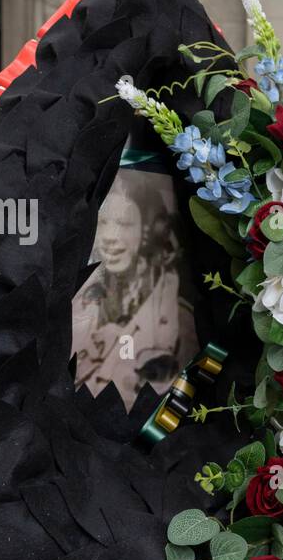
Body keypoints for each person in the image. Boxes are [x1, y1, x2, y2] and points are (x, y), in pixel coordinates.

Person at [71, 168, 198, 407]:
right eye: (103, 222)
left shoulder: (178, 320)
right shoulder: (76, 298)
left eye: (124, 223)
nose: (110, 235)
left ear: (147, 230)